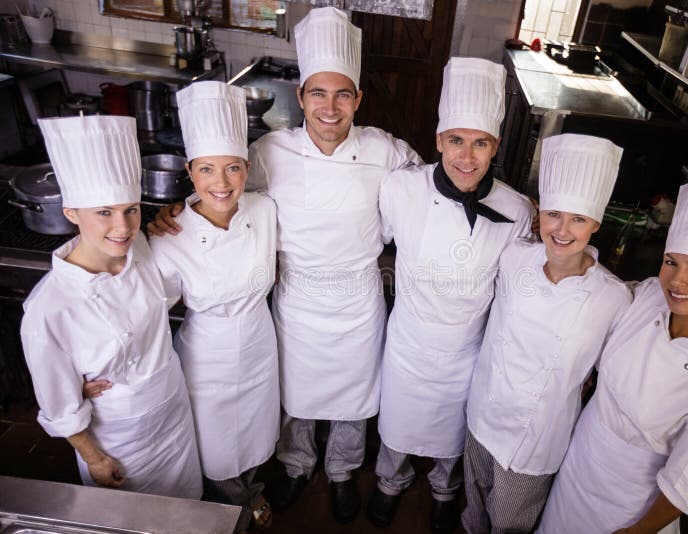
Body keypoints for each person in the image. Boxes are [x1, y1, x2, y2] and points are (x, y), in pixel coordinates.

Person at [147, 7, 421, 522]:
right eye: (318, 92)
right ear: (300, 97)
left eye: (343, 94)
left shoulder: (385, 150)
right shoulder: (270, 151)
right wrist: (178, 208)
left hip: (358, 293)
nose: (330, 107)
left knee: (355, 399)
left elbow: (434, 187)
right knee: (294, 392)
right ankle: (297, 465)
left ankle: (341, 471)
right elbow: (221, 186)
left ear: (359, 99)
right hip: (296, 292)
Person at [537, 172, 688, 534]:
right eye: (671, 262)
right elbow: (599, 297)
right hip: (577, 466)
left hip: (629, 508)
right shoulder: (650, 297)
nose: (678, 281)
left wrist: (638, 531)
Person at [366, 57, 535, 534]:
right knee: (397, 426)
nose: (467, 156)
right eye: (456, 141)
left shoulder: (516, 209)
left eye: (480, 143)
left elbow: (514, 285)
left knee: (453, 434)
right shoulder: (401, 189)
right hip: (409, 341)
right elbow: (371, 236)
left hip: (467, 349)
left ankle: (444, 488)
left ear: (495, 146)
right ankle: (389, 481)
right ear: (438, 141)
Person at [20, 115, 202, 499]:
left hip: (173, 412)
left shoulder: (139, 249)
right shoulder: (48, 309)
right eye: (104, 212)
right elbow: (59, 403)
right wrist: (95, 458)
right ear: (71, 212)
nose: (122, 226)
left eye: (131, 209)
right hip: (120, 438)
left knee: (187, 509)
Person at [461, 133, 631, 534]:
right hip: (482, 412)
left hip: (536, 438)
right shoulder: (514, 257)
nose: (563, 230)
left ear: (596, 224)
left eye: (578, 219)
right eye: (555, 214)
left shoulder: (614, 298)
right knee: (473, 511)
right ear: (538, 213)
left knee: (509, 525)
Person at [147, 81, 279, 532]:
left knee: (259, 428)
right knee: (215, 439)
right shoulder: (168, 236)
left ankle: (251, 488)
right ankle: (231, 504)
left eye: (232, 169)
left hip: (260, 338)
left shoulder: (265, 211)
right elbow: (148, 313)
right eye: (206, 170)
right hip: (207, 354)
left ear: (247, 168)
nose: (220, 183)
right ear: (190, 170)